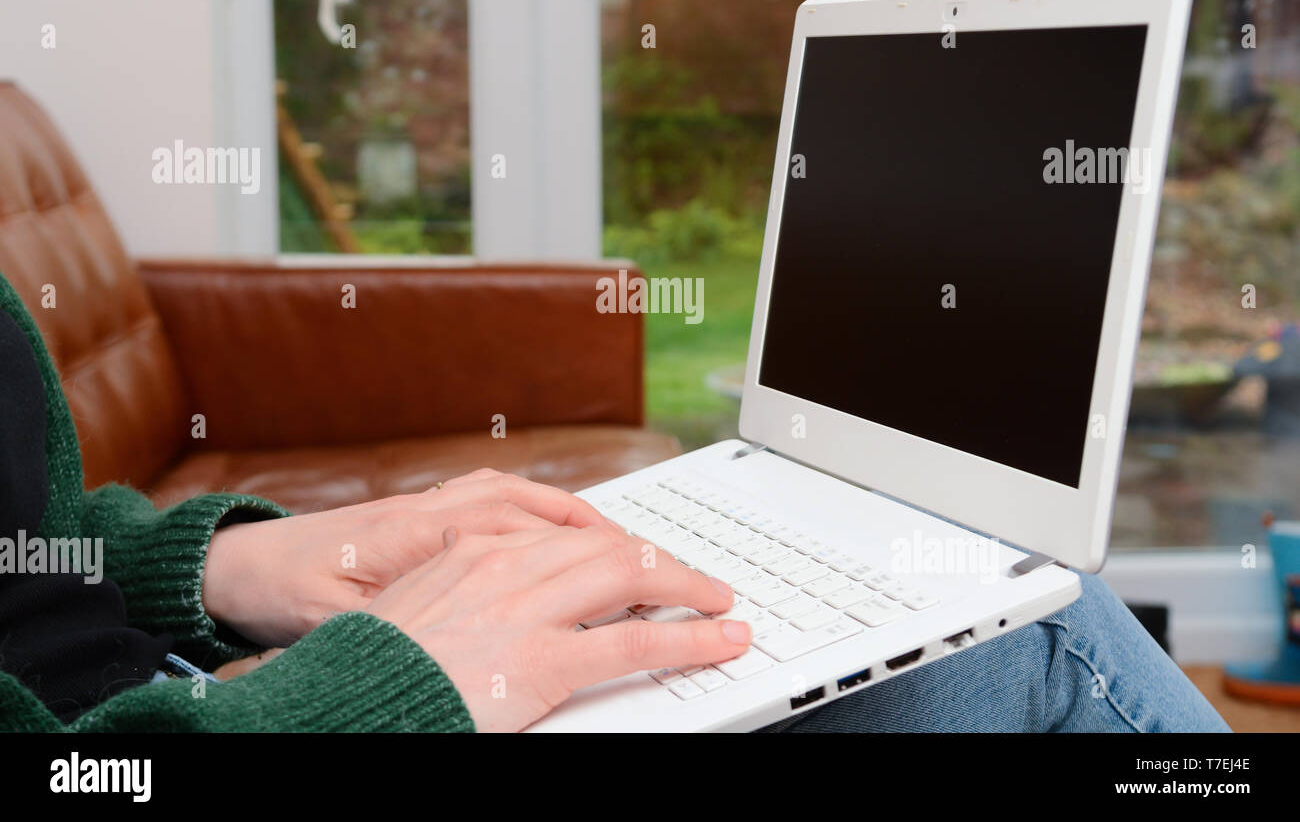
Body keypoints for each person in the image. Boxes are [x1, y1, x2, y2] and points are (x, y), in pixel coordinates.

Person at [0, 274, 1228, 732]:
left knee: (946, 609)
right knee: (1033, 628)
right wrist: (393, 688)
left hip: (184, 683)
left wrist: (212, 568)